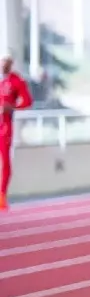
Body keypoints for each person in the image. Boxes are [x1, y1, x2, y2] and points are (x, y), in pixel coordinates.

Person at [1, 51, 34, 207]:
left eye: (6, 61)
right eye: (2, 61)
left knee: (5, 161)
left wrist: (13, 107)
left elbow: (27, 101)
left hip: (4, 127)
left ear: (11, 63)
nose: (3, 64)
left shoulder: (16, 81)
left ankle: (2, 195)